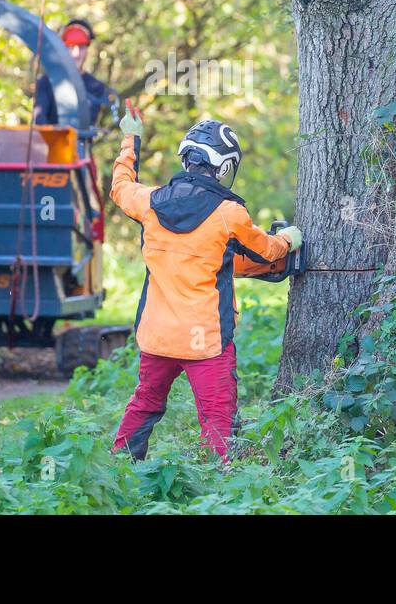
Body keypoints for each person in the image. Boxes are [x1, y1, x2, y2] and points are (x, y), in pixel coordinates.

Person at [108, 109, 303, 461]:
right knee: (217, 419)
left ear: (186, 158)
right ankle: (218, 487)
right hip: (205, 342)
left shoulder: (149, 203)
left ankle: (119, 469)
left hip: (158, 336)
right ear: (225, 167)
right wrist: (288, 239)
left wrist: (130, 139)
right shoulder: (230, 213)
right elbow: (266, 251)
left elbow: (120, 186)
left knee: (145, 404)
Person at [33, 19, 113, 126]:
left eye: (81, 47)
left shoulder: (95, 87)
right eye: (71, 46)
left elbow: (87, 125)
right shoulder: (45, 83)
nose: (76, 53)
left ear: (87, 49)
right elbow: (39, 121)